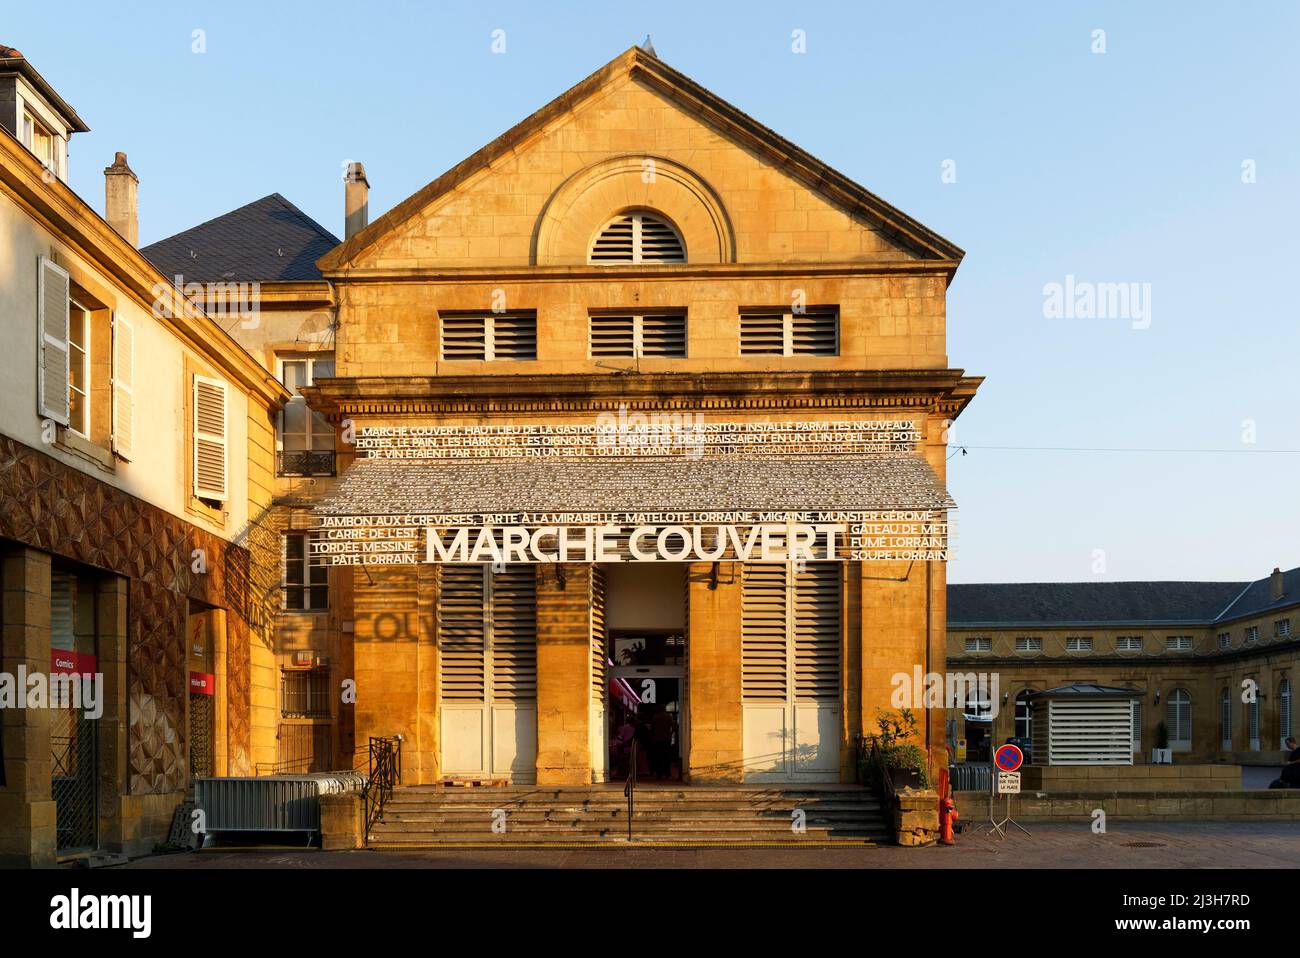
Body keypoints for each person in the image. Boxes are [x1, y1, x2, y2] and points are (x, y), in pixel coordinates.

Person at [649, 704, 677, 780]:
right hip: (666, 739)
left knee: (658, 757)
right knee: (666, 757)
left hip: (657, 739)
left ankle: (659, 774)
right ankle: (667, 773)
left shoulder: (655, 717)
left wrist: (653, 736)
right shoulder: (668, 717)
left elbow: (652, 729)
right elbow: (674, 727)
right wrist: (670, 734)